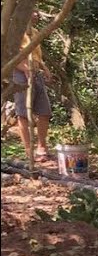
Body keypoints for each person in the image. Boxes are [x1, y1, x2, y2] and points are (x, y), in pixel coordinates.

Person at [12, 29, 52, 161]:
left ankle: (42, 147)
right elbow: (10, 53)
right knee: (23, 113)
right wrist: (24, 68)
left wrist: (45, 69)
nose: (36, 14)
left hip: (36, 71)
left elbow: (36, 56)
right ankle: (29, 151)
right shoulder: (16, 29)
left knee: (44, 111)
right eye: (33, 11)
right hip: (21, 73)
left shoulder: (33, 32)